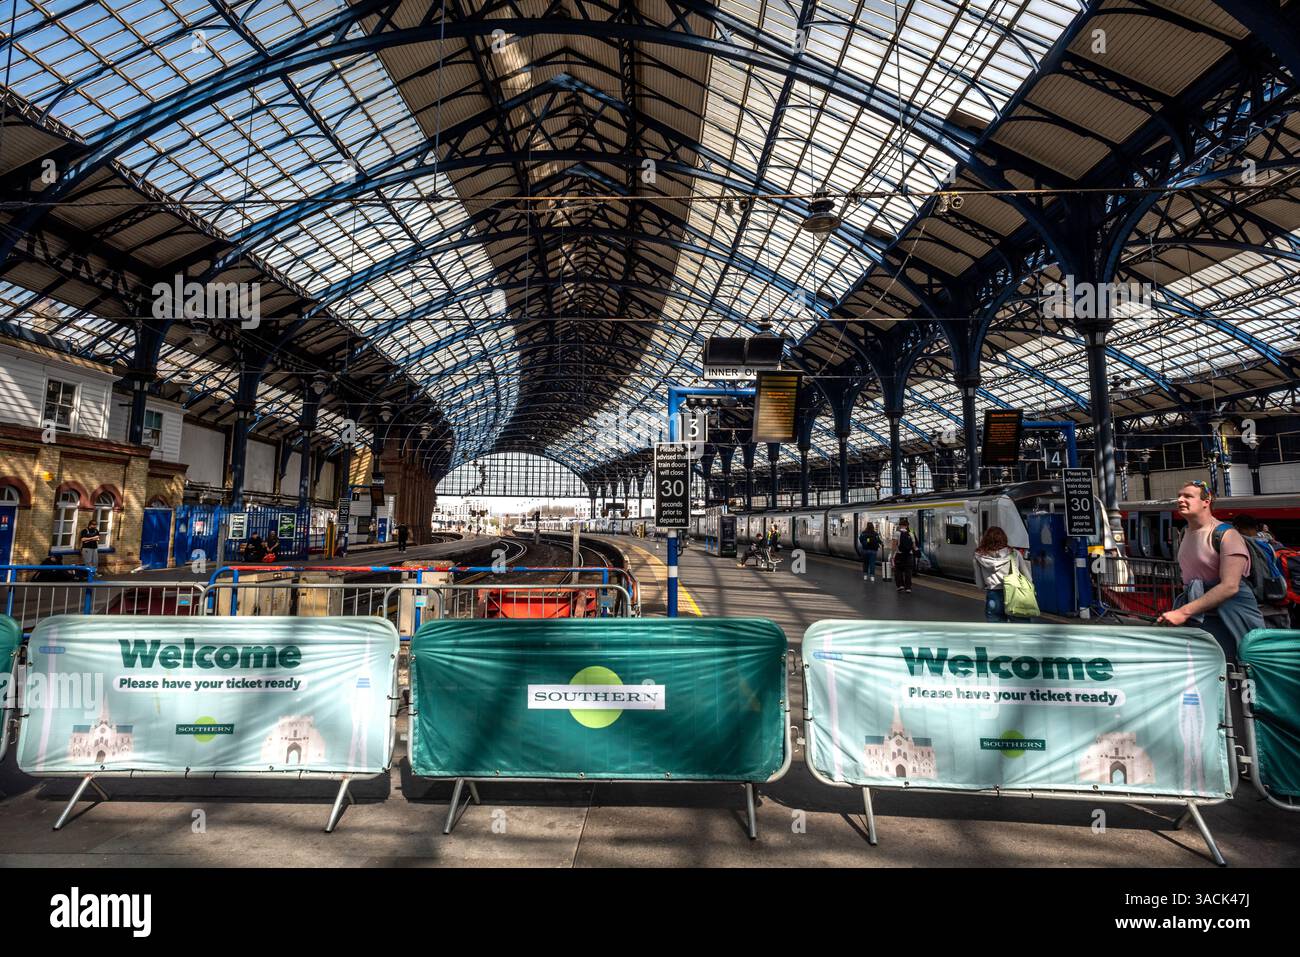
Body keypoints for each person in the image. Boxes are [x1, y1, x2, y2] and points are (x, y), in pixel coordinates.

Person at [1157, 481, 1264, 662]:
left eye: (1188, 496)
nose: (1180, 500)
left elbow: (1230, 586)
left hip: (1231, 617)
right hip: (1201, 616)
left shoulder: (1227, 535)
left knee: (1240, 667)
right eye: (1179, 496)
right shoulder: (1185, 532)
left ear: (1206, 501)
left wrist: (1183, 612)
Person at [1231, 513, 1290, 629]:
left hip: (1259, 599)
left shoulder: (1244, 544)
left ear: (1237, 528)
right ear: (1256, 527)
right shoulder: (1271, 544)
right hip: (1277, 591)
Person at [973, 526, 1031, 623]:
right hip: (1015, 595)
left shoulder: (978, 557)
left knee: (997, 633)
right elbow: (1029, 579)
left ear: (985, 540)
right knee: (1021, 630)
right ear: (1004, 538)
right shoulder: (1015, 554)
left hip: (994, 597)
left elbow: (980, 585)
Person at [893, 518, 915, 594]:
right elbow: (914, 546)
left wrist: (893, 555)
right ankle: (908, 588)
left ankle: (900, 585)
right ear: (907, 526)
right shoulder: (911, 533)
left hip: (899, 555)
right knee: (908, 572)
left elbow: (894, 545)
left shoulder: (897, 533)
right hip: (909, 555)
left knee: (898, 570)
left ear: (900, 525)